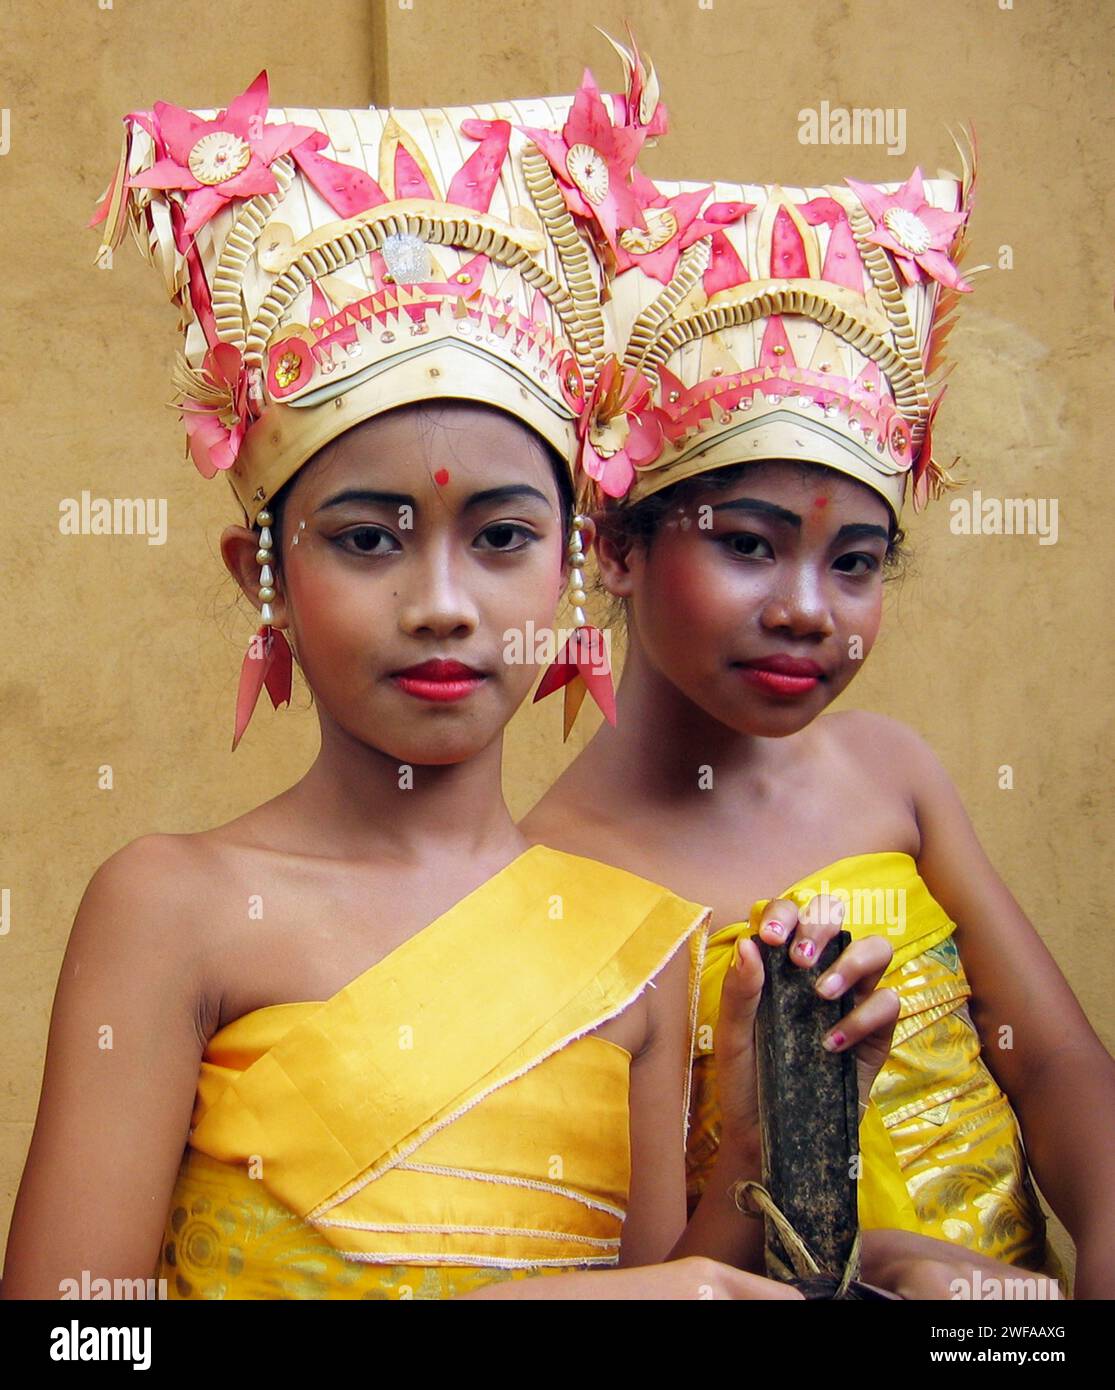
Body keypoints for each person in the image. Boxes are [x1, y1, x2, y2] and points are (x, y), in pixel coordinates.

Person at [2, 58, 906, 1302]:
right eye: (367, 537)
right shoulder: (174, 908)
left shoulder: (635, 944)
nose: (440, 601)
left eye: (500, 536)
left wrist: (755, 1144)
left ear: (580, 564)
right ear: (258, 570)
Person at [522, 149, 1115, 1297]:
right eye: (745, 544)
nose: (804, 610)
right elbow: (647, 1279)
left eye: (854, 562)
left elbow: (1050, 1064)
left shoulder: (890, 774)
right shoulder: (552, 878)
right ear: (616, 550)